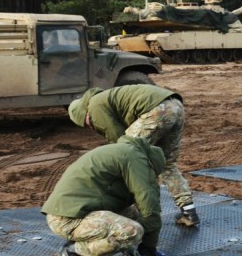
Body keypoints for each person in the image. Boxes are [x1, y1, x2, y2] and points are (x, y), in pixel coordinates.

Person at [67, 85, 199, 227]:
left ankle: (131, 212)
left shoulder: (94, 107)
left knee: (128, 159)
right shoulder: (105, 98)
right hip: (176, 107)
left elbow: (119, 144)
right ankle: (189, 211)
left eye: (85, 123)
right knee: (168, 164)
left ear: (83, 113)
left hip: (157, 110)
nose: (90, 127)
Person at [42, 136, 166, 256]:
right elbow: (149, 203)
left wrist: (127, 246)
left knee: (131, 213)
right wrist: (149, 244)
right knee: (131, 231)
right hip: (67, 219)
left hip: (74, 211)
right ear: (151, 166)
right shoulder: (136, 159)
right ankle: (73, 253)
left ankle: (86, 242)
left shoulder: (125, 152)